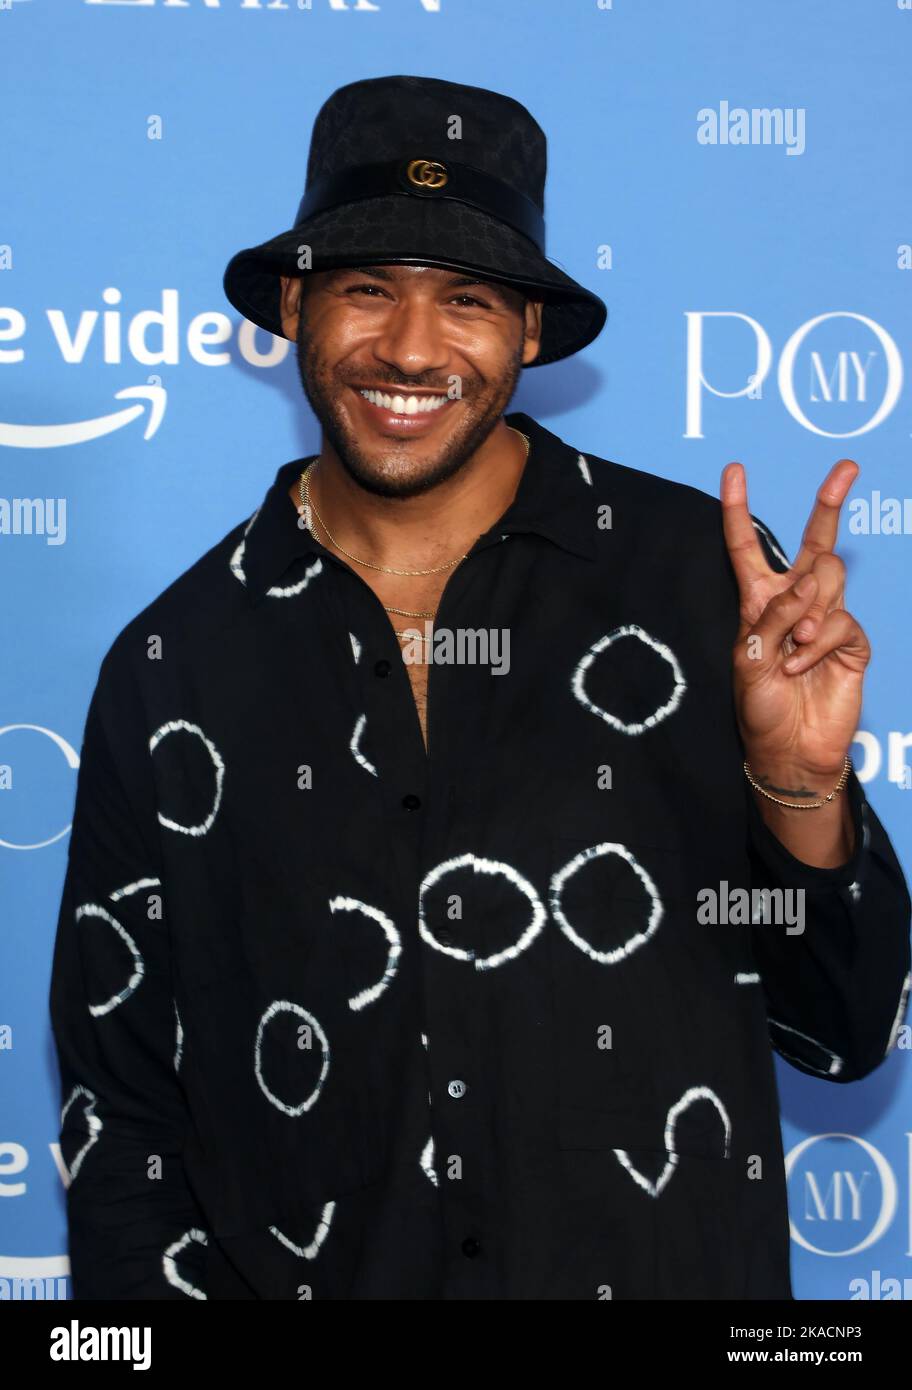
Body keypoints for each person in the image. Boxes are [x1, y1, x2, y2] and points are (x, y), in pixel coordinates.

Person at [49, 74, 911, 1300]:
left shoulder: (698, 585)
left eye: (466, 298)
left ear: (533, 332)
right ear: (294, 305)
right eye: (365, 288)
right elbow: (124, 1110)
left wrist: (796, 788)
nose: (409, 348)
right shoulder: (172, 662)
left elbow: (846, 1025)